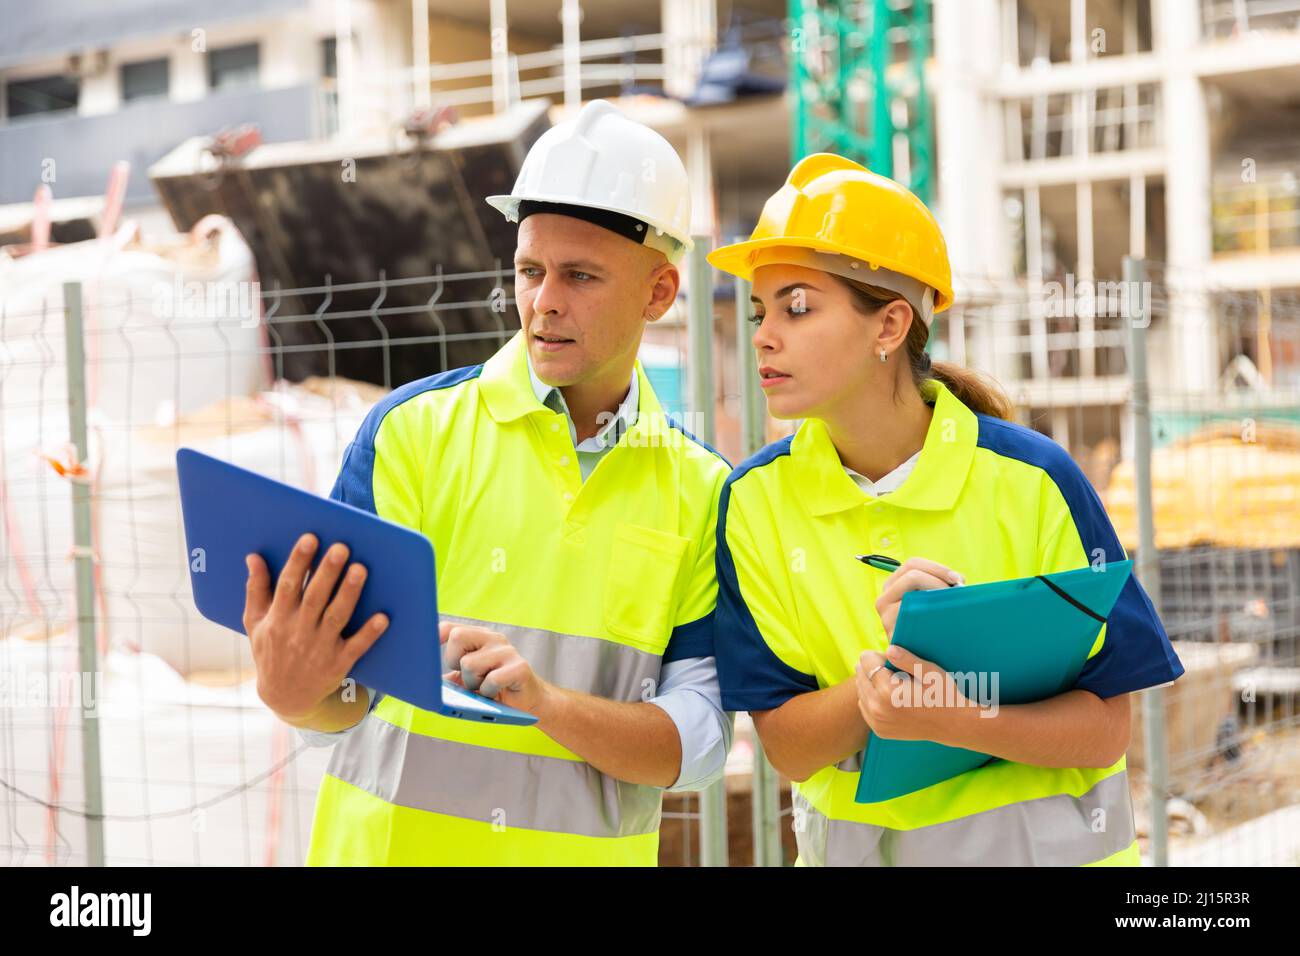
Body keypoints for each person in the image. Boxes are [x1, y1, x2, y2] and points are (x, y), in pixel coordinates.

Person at [241, 100, 733, 865]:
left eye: (581, 276)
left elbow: (697, 746)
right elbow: (338, 700)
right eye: (530, 272)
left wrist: (546, 705)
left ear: (660, 293)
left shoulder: (702, 490)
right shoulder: (410, 435)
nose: (544, 303)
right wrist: (290, 689)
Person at [706, 153, 1184, 866]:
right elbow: (787, 745)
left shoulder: (1034, 479)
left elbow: (1107, 729)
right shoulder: (753, 504)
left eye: (797, 307)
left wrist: (958, 715)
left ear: (890, 326)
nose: (764, 335)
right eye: (760, 310)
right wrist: (887, 683)